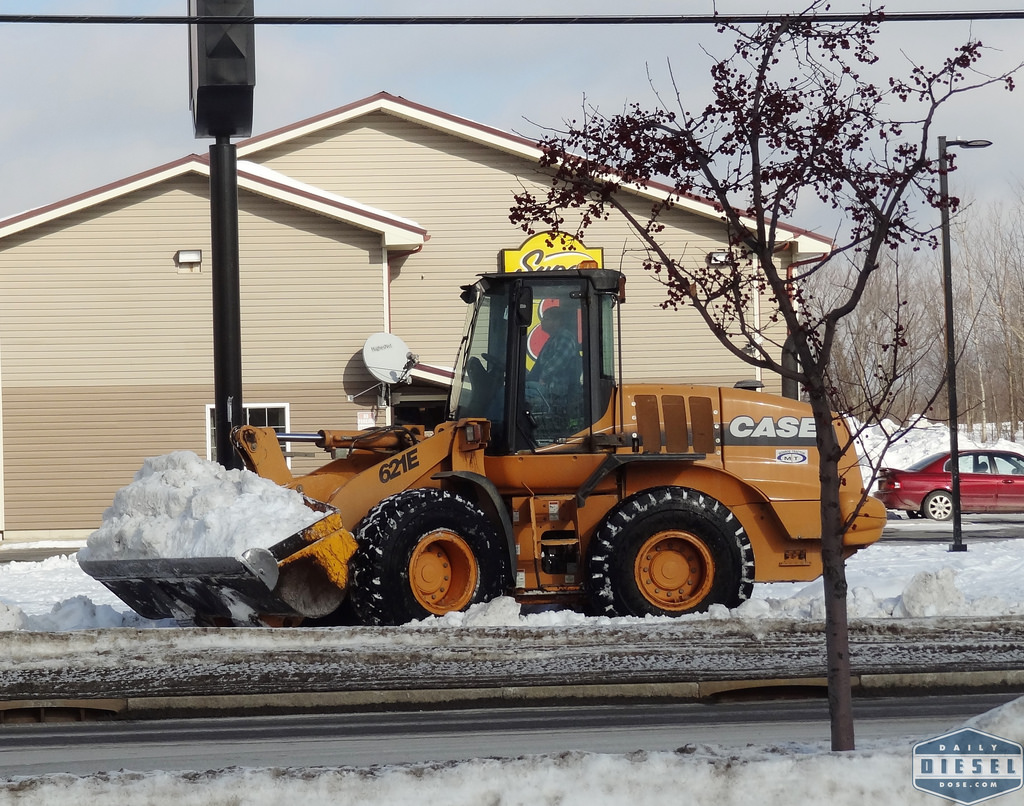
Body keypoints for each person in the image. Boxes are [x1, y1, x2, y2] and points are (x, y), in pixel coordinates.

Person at [528, 305, 583, 441]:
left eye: (546, 319)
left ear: (557, 321)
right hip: (548, 388)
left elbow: (557, 363)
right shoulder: (554, 338)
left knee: (510, 393)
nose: (542, 322)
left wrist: (542, 378)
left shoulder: (565, 337)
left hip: (554, 391)